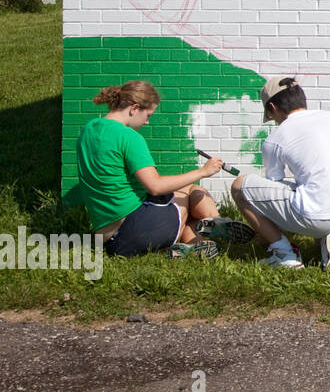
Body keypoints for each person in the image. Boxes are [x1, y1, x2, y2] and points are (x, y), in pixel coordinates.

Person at [75, 81, 252, 259]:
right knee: (191, 190)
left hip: (112, 243)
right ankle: (219, 224)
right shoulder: (128, 137)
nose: (147, 122)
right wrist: (203, 172)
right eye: (148, 115)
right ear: (134, 108)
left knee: (187, 210)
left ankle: (194, 245)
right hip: (137, 229)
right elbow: (155, 186)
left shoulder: (88, 130)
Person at [231, 77, 330, 269]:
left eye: (271, 116)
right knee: (311, 187)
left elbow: (275, 184)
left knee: (239, 186)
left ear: (272, 107)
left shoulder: (276, 137)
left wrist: (264, 231)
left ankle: (284, 253)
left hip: (316, 218)